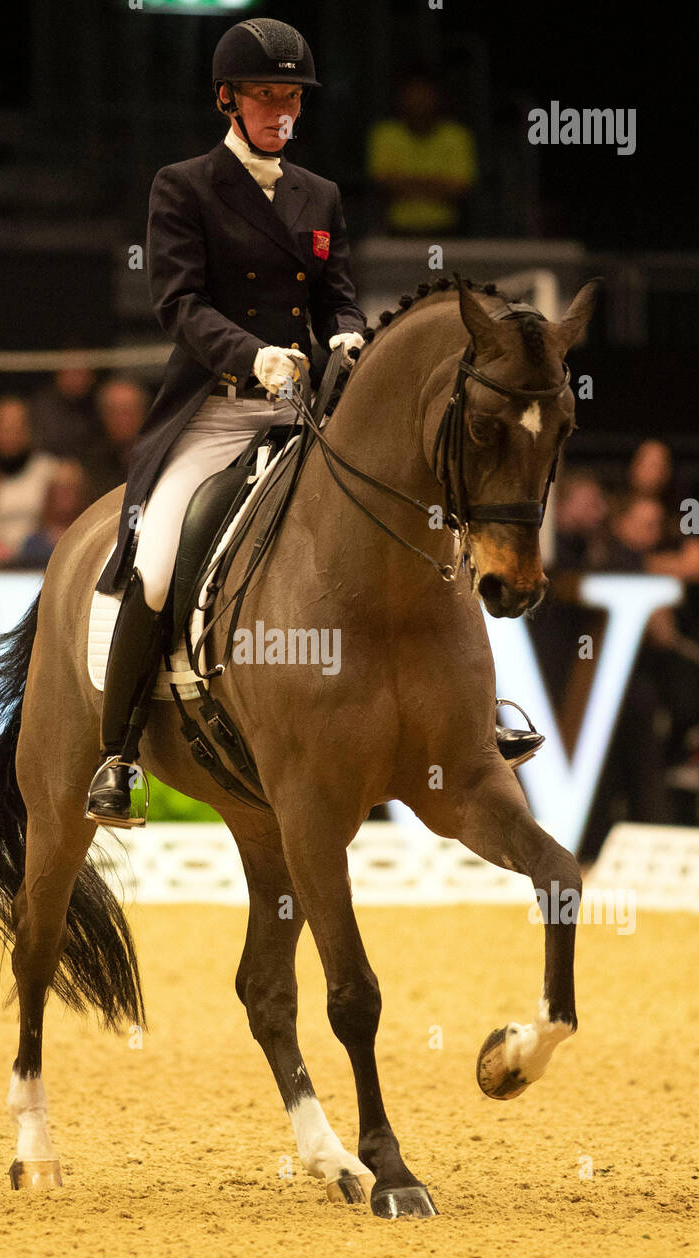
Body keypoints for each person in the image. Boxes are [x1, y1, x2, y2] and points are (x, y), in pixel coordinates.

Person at [87, 17, 538, 828]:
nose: (281, 112)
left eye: (292, 98)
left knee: (421, 531)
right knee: (157, 561)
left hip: (306, 412)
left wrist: (346, 332)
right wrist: (251, 353)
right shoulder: (182, 186)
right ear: (228, 100)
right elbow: (178, 304)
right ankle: (117, 755)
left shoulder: (319, 193)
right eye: (267, 96)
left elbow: (334, 291)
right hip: (217, 412)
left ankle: (479, 717)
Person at [367, 68, 478, 235]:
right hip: (396, 232)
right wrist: (438, 184)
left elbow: (461, 188)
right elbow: (382, 183)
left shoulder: (457, 135)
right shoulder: (385, 133)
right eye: (412, 93)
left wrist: (405, 182)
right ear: (401, 97)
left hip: (448, 233)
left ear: (437, 97)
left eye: (424, 93)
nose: (418, 100)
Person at [0, 396, 60, 553]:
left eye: (16, 426)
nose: (9, 434)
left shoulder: (50, 472)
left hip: (39, 561)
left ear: (29, 430)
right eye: (3, 427)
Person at [18, 460, 95, 565]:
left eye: (70, 489)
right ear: (50, 494)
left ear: (81, 494)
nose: (65, 495)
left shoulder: (92, 540)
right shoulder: (33, 543)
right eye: (59, 489)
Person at [84, 377, 150, 499]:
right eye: (113, 412)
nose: (122, 420)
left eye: (128, 411)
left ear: (143, 413)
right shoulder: (91, 464)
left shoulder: (159, 458)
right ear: (103, 417)